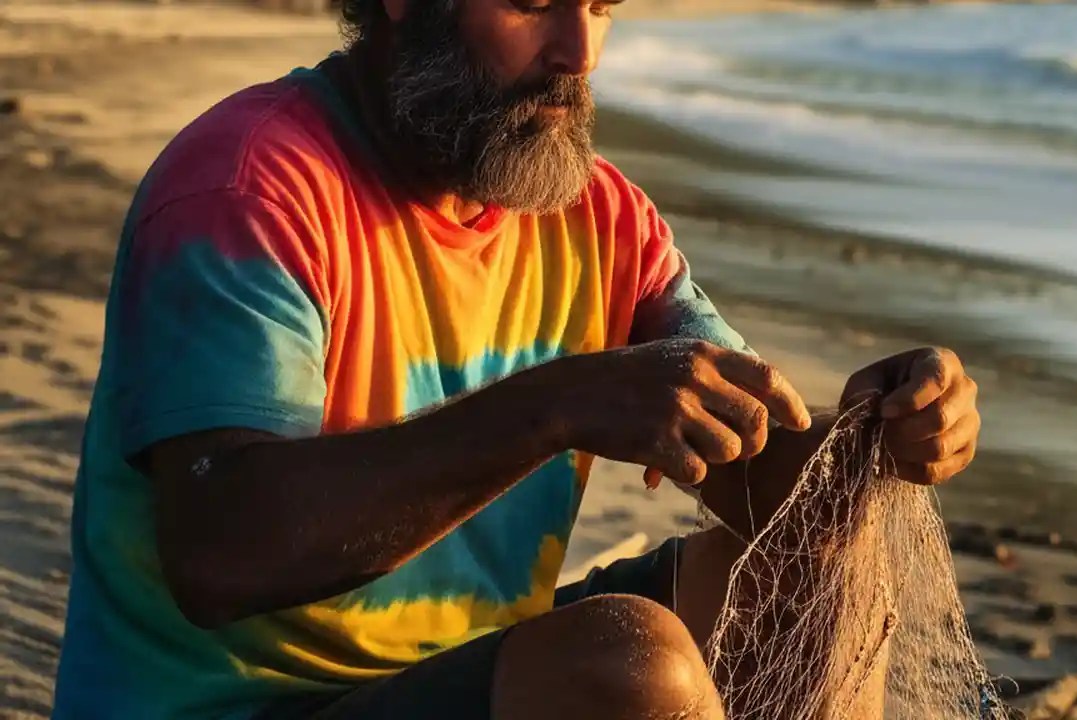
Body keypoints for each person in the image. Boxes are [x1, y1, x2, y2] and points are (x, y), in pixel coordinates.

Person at [51, 0, 982, 718]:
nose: (578, 53)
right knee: (631, 668)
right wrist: (552, 407)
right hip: (241, 704)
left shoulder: (600, 220)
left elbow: (768, 484)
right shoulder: (249, 189)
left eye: (603, 6)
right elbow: (221, 554)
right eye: (534, 4)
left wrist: (875, 441)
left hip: (463, 670)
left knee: (828, 565)